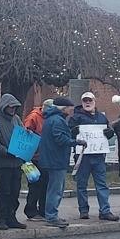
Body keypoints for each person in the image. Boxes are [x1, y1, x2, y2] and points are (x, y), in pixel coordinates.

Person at [68, 92, 118, 221]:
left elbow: (108, 131)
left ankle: (105, 211)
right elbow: (69, 135)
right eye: (85, 101)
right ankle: (83, 210)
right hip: (83, 156)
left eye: (90, 100)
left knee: (101, 184)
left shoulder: (101, 117)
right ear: (82, 102)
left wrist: (110, 133)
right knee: (81, 184)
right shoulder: (75, 118)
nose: (87, 103)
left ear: (94, 102)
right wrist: (73, 133)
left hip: (98, 156)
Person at [39, 98, 86, 229]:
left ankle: (51, 214)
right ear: (64, 108)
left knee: (54, 188)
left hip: (53, 159)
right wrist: (75, 141)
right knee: (56, 189)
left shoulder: (52, 119)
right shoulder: (58, 120)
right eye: (70, 107)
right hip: (56, 160)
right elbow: (60, 139)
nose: (72, 110)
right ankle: (51, 216)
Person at [0, 94, 28, 230]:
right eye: (10, 106)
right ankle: (0, 219)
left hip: (16, 163)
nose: (12, 109)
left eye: (14, 107)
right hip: (2, 163)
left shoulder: (17, 119)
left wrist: (26, 135)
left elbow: (22, 134)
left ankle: (11, 217)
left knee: (14, 192)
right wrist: (6, 151)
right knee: (4, 192)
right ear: (4, 106)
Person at [22, 99, 52, 221]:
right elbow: (26, 132)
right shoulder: (34, 117)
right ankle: (31, 211)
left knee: (44, 184)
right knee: (35, 185)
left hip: (44, 156)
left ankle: (42, 210)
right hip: (34, 157)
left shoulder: (47, 117)